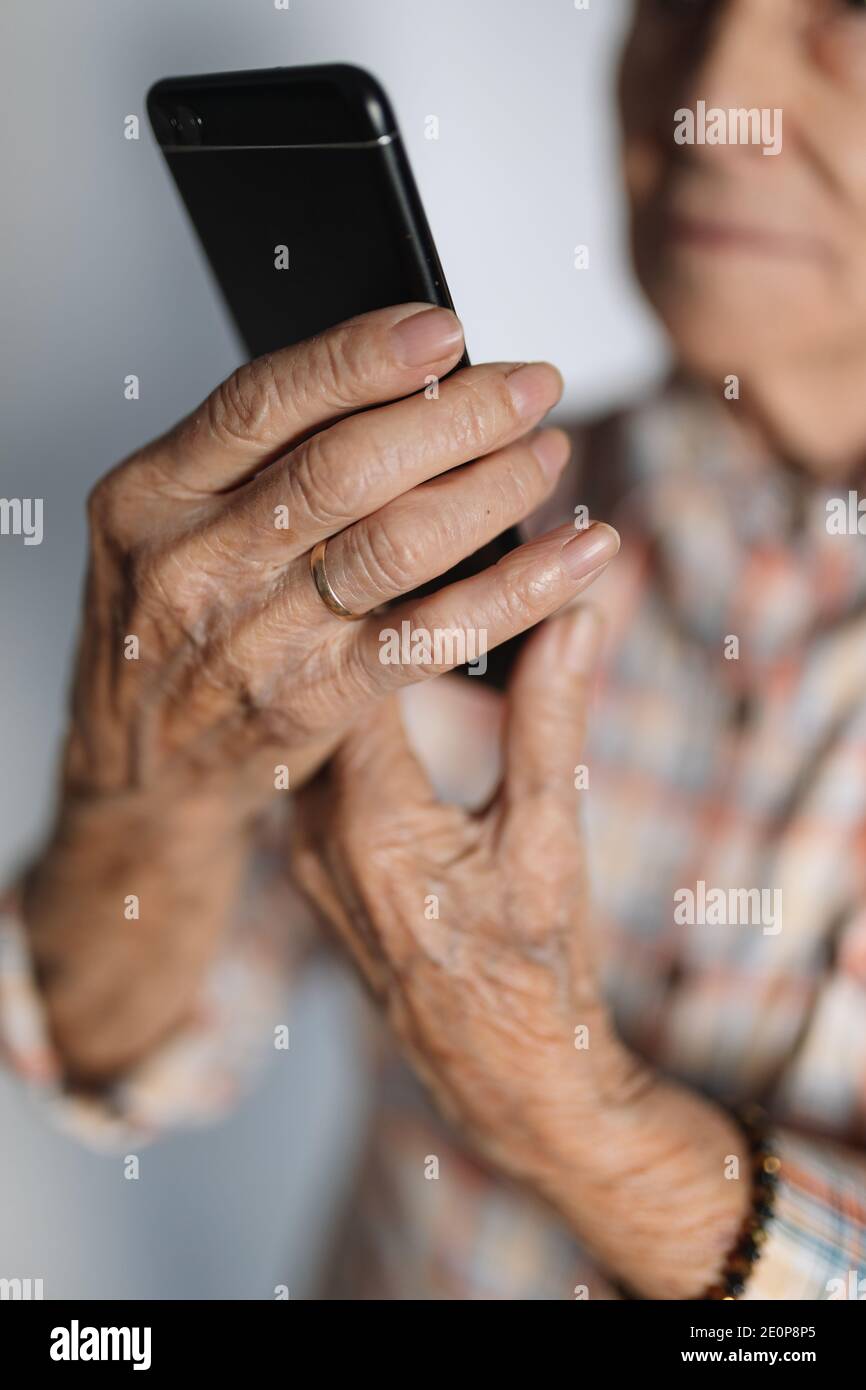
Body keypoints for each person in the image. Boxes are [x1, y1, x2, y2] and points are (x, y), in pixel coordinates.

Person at [3, 0, 866, 1299]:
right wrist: (141, 784)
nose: (710, 88)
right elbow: (128, 1043)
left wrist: (582, 1127)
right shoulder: (458, 536)